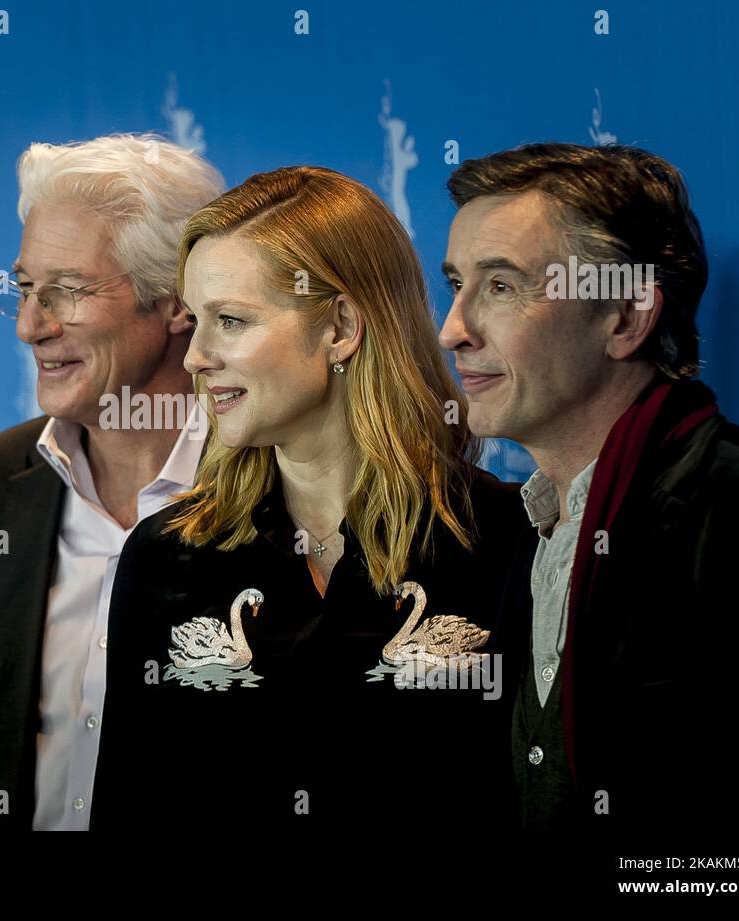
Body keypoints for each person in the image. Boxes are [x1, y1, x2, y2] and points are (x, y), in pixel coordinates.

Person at [92, 166, 527, 828]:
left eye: (231, 320)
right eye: (196, 321)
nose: (196, 357)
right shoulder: (164, 558)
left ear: (340, 327)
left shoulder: (507, 540)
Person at [439, 142, 739, 845]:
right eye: (455, 283)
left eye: (502, 286)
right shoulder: (517, 531)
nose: (454, 328)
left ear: (628, 319)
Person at [0, 133, 224, 829]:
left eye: (66, 291)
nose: (31, 327)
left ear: (178, 301)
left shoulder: (283, 493)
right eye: (26, 289)